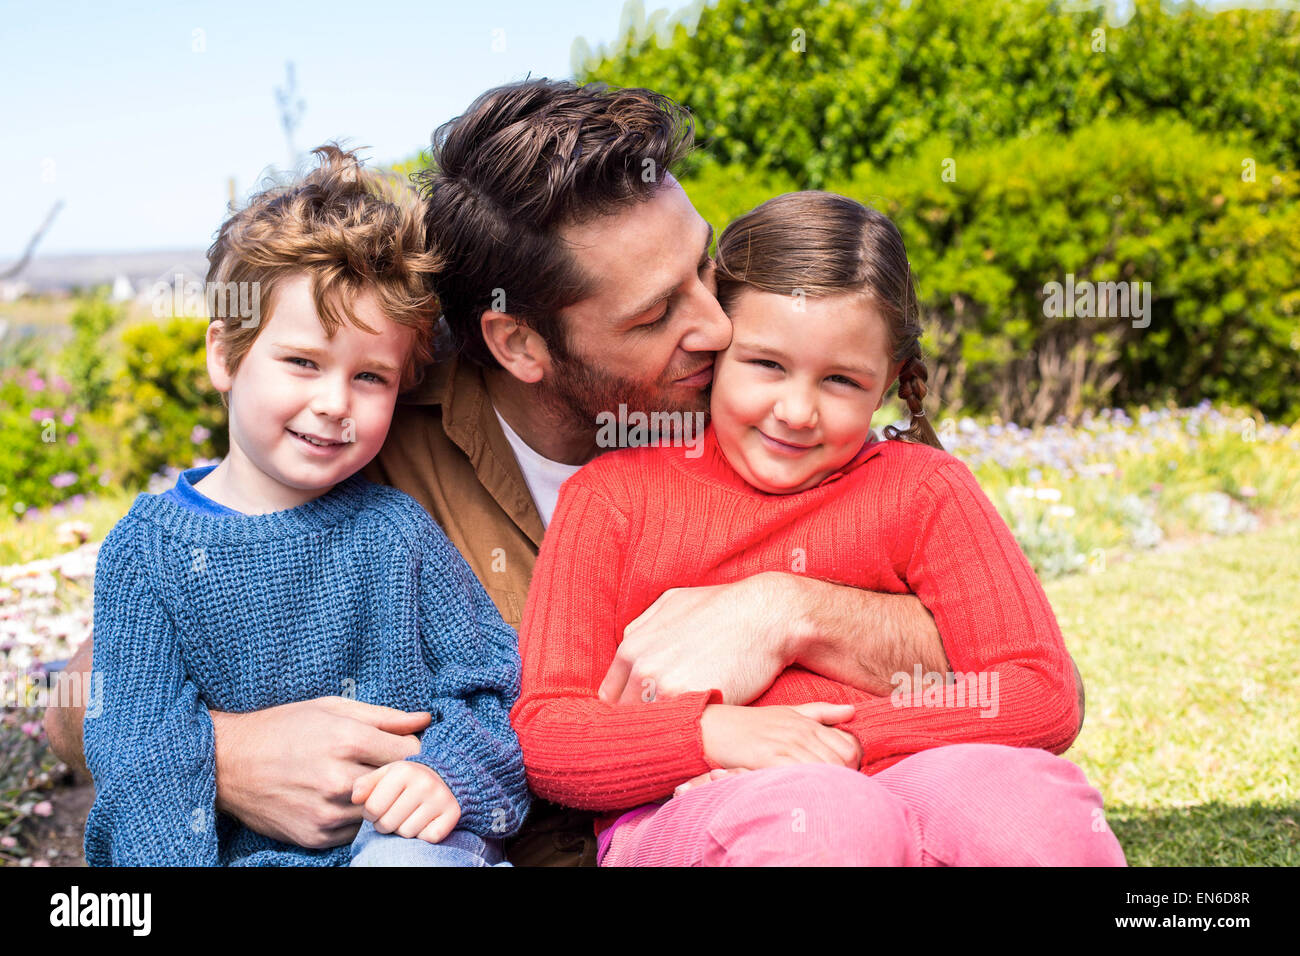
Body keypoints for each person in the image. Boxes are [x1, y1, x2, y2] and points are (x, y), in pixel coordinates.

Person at [47, 79, 1081, 867]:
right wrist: (223, 751)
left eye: (703, 268)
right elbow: (96, 676)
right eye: (655, 313)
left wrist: (791, 607)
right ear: (521, 343)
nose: (717, 326)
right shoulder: (369, 437)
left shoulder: (769, 411)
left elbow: (1007, 665)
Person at [512, 191, 1125, 866]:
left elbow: (1041, 691)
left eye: (840, 379)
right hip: (693, 804)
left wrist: (841, 738)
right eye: (766, 365)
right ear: (717, 344)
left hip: (907, 768)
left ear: (889, 381)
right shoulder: (612, 497)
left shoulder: (924, 488)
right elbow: (550, 733)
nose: (797, 410)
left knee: (1029, 807)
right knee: (828, 821)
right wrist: (717, 735)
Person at [81, 145, 529, 866]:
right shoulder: (146, 555)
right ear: (226, 357)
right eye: (302, 362)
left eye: (371, 376)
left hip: (408, 849)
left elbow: (493, 684)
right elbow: (140, 765)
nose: (333, 404)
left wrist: (447, 776)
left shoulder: (395, 533)